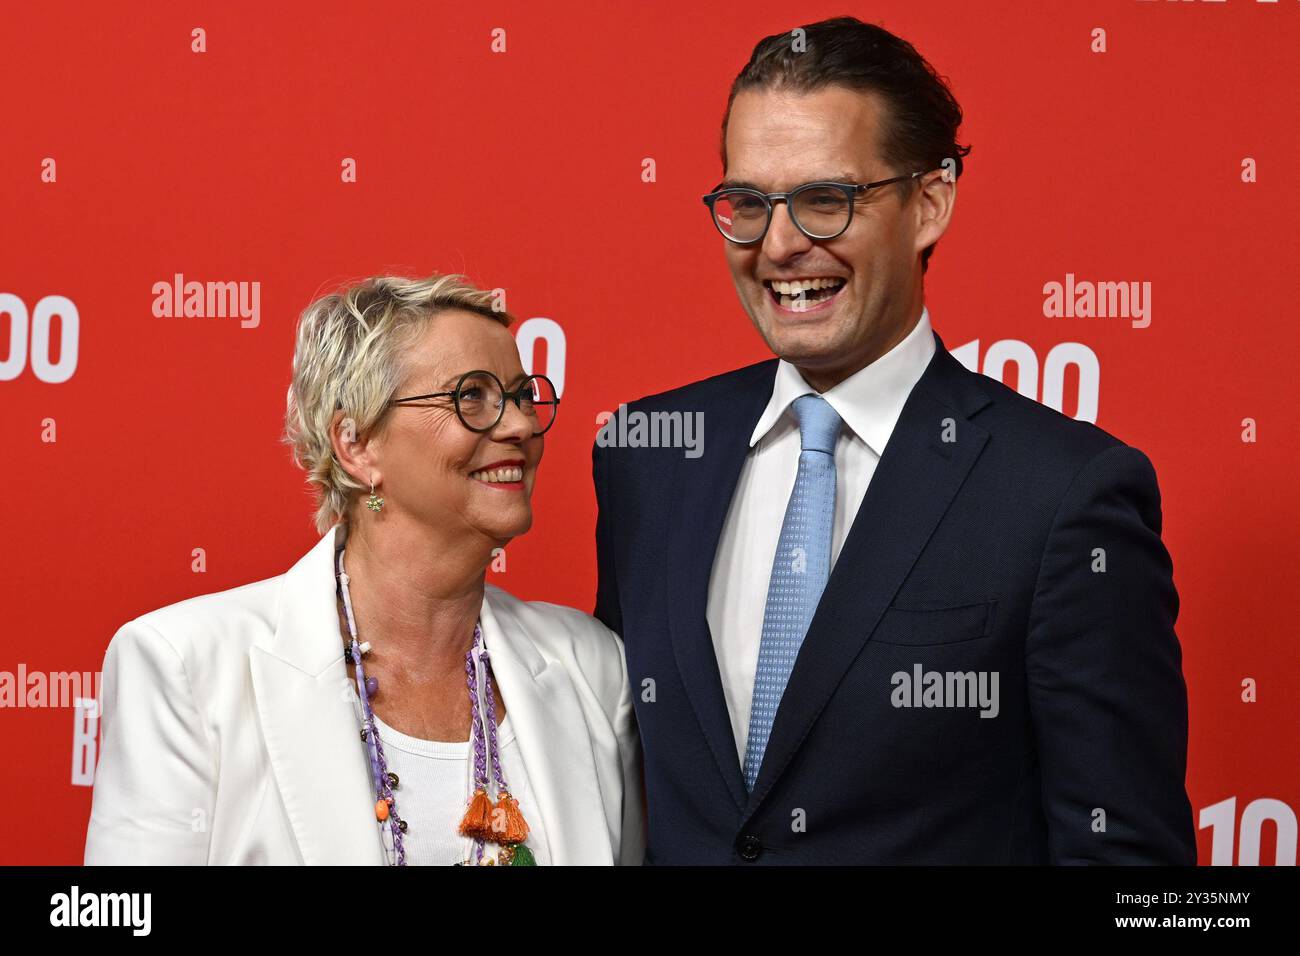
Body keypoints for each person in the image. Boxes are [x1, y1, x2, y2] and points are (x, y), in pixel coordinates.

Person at [592, 17, 1195, 864]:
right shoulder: (647, 457)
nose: (780, 244)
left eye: (826, 200)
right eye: (748, 204)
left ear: (930, 202)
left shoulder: (1063, 494)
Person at [86, 273, 644, 865]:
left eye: (521, 395)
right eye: (471, 397)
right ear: (356, 445)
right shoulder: (186, 665)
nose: (521, 426)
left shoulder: (593, 666)